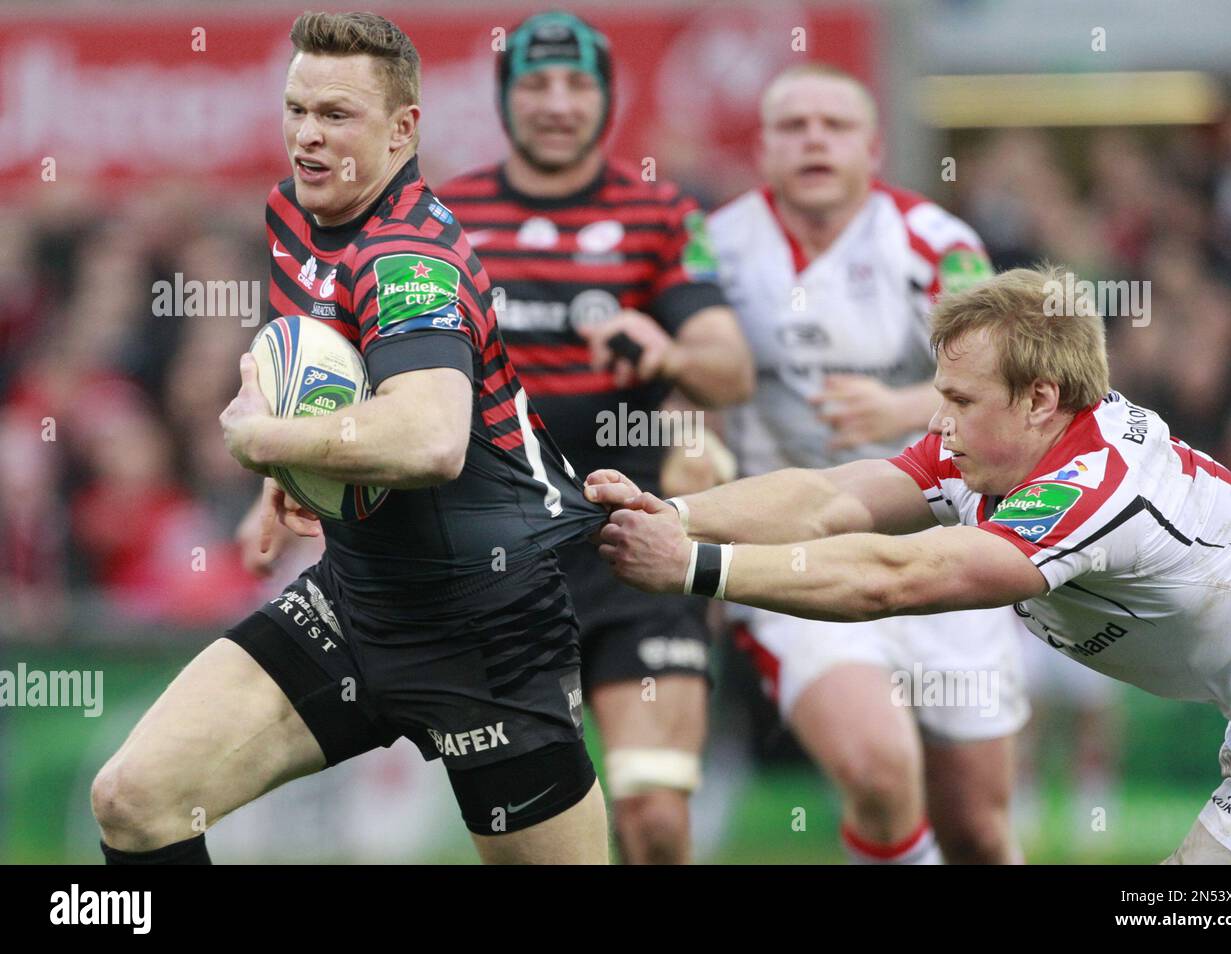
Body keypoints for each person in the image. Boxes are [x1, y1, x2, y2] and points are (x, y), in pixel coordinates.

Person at [91, 10, 611, 865]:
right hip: (355, 603)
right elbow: (336, 371)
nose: (306, 135)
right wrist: (296, 466)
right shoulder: (293, 214)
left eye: (336, 116)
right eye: (296, 109)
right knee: (135, 801)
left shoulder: (410, 257)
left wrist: (265, 440)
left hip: (486, 629)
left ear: (405, 130)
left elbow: (433, 435)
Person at [588, 264, 1231, 865]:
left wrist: (692, 568)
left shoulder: (1093, 486)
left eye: (959, 400)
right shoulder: (1003, 445)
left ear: (1039, 399)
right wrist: (673, 514)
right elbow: (827, 498)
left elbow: (893, 580)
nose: (937, 422)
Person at [436, 11, 754, 863]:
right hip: (495, 553)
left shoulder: (659, 212)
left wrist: (670, 347)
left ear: (607, 102)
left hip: (628, 537)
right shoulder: (441, 217)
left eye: (578, 85)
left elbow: (730, 369)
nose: (557, 103)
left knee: (652, 816)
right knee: (537, 840)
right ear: (505, 100)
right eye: (535, 84)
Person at [706, 62, 1026, 864]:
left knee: (979, 833)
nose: (815, 139)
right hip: (793, 549)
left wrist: (900, 410)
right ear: (762, 148)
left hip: (941, 545)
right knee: (881, 775)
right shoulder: (712, 247)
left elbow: (1007, 386)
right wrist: (687, 451)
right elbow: (683, 378)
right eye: (793, 125)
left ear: (874, 147)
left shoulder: (935, 243)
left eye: (835, 125)